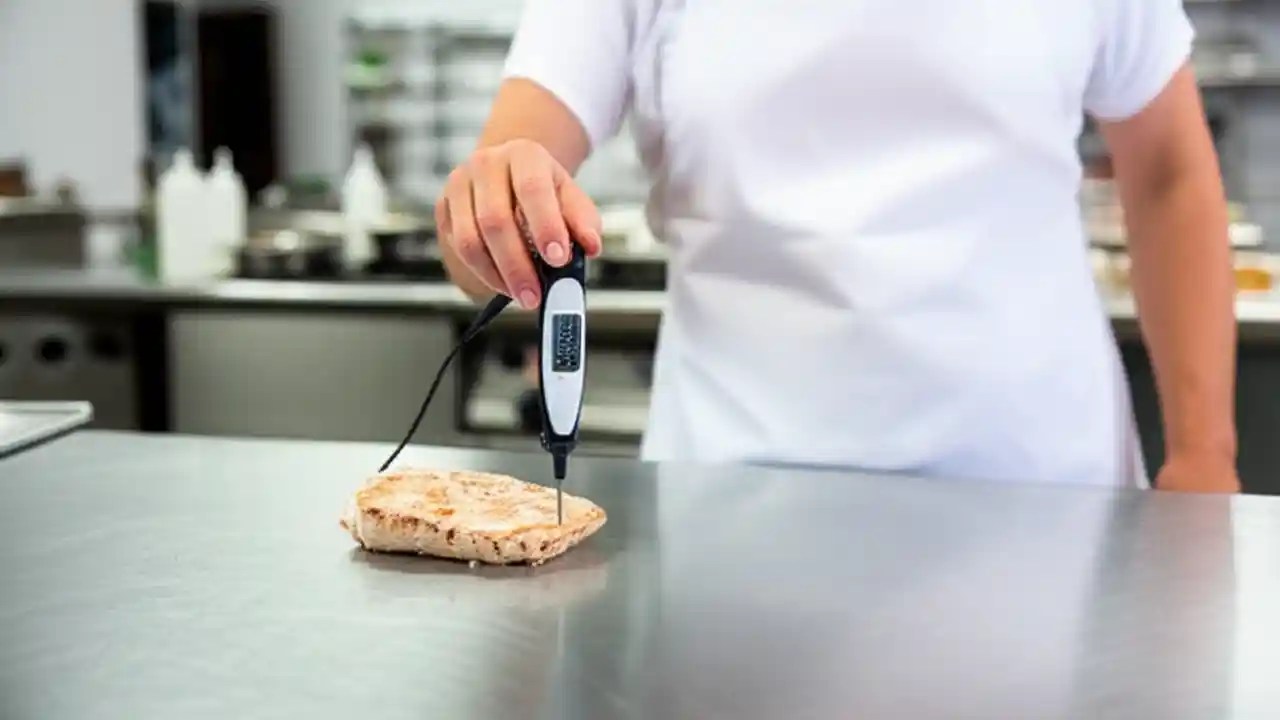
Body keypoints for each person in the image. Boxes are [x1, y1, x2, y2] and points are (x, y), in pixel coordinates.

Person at [436, 0, 1239, 493]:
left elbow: (1170, 173)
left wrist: (1204, 459)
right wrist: (493, 209)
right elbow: (493, 200)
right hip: (734, 516)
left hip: (1047, 495)